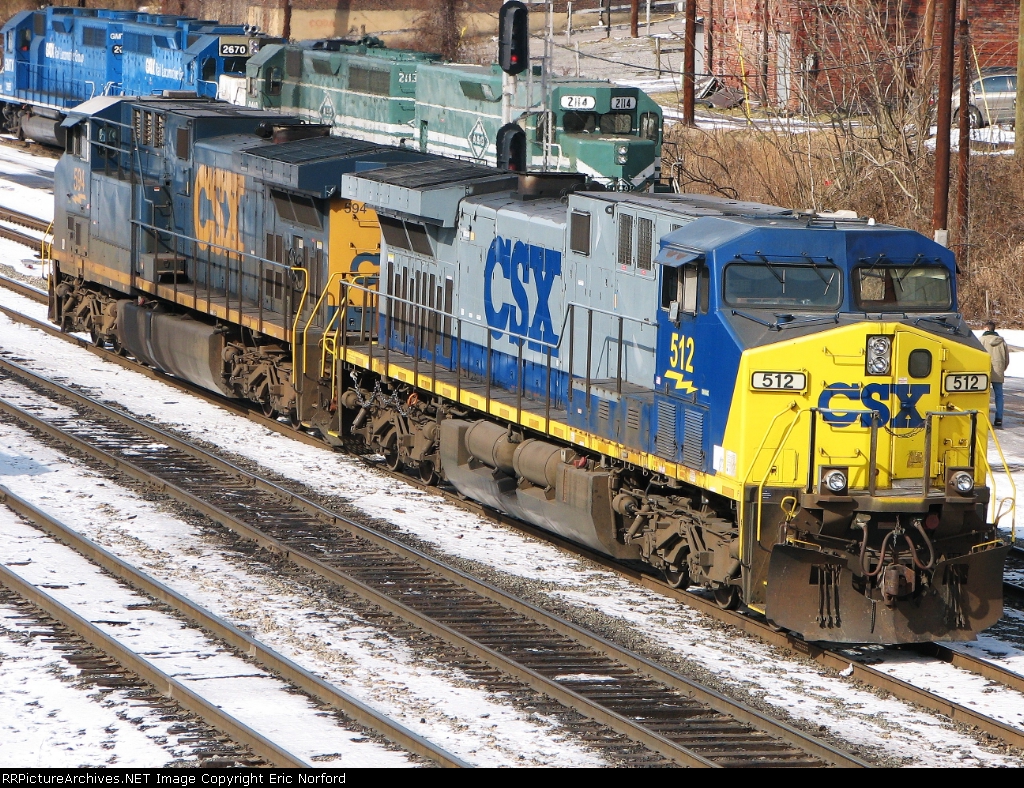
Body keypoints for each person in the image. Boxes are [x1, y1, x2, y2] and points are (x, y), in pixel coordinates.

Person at [980, 321, 1009, 428]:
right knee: (999, 395)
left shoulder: (981, 340)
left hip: (985, 370)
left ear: (987, 328)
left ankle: (985, 418)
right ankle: (999, 418)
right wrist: (1002, 368)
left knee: (984, 394)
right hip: (998, 370)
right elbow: (1006, 358)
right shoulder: (1002, 341)